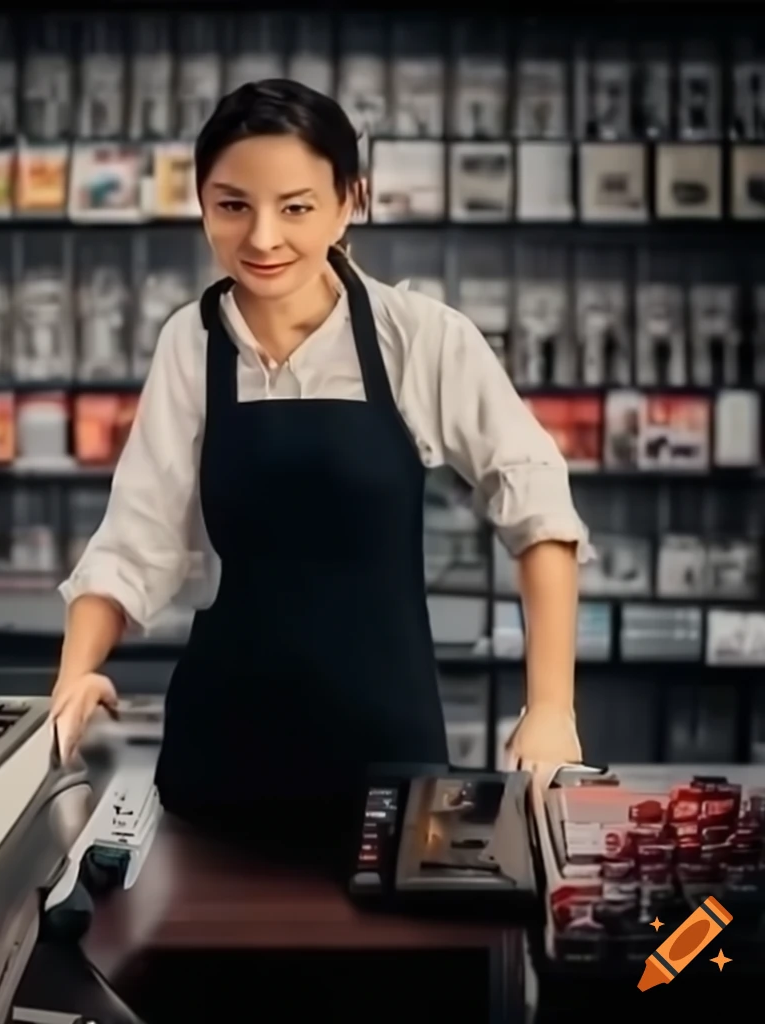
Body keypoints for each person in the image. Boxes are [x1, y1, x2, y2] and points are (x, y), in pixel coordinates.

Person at [52, 79, 591, 864]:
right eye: (232, 205)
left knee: (398, 982)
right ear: (202, 205)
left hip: (389, 758)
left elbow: (537, 503)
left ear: (350, 202)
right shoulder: (190, 343)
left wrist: (551, 706)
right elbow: (136, 537)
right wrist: (75, 676)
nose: (262, 236)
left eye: (296, 206)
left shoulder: (421, 337)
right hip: (221, 767)